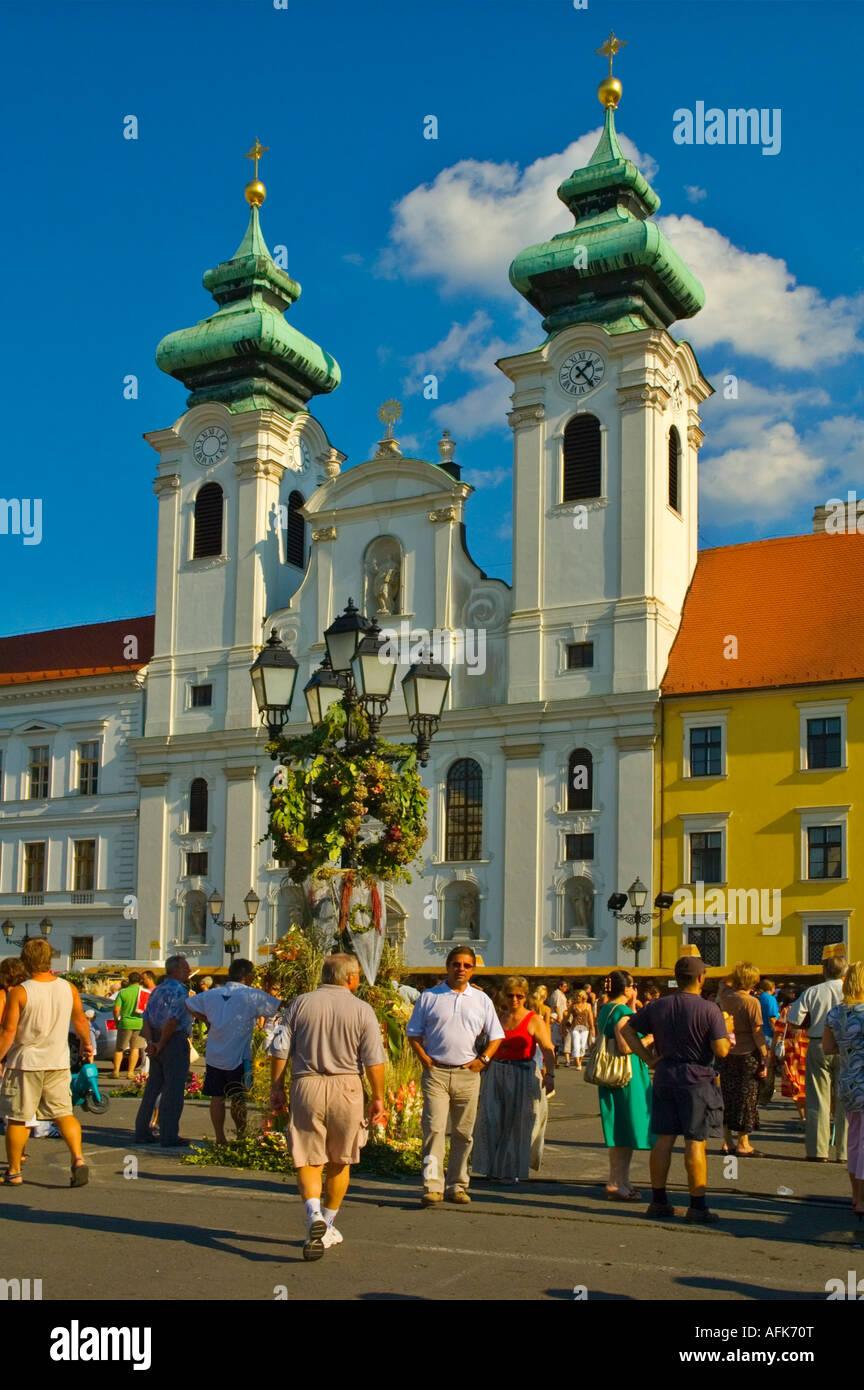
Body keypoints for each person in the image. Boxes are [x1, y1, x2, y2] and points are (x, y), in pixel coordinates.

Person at [269, 953, 385, 1260]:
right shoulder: (362, 1010)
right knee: (340, 1159)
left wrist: (276, 1087)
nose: (359, 979)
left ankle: (312, 1214)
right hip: (346, 1086)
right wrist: (377, 1096)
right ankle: (328, 1220)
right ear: (348, 978)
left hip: (306, 1083)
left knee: (308, 1158)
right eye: (357, 974)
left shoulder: (300, 1004)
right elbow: (374, 1060)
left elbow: (280, 1048)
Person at [620, 955, 731, 1224]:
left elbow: (627, 1031)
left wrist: (647, 1058)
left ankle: (658, 1201)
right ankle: (697, 1205)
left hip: (666, 1074)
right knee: (695, 1141)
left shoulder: (659, 1005)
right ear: (701, 978)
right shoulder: (709, 1009)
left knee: (664, 1139)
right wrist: (727, 1028)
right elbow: (722, 1050)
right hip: (697, 1077)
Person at [407, 945, 504, 1207]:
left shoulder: (481, 999)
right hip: (436, 1072)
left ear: (473, 969)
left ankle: (458, 1185)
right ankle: (432, 1185)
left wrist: (483, 1060)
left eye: (466, 965)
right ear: (447, 966)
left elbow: (496, 1035)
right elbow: (413, 1032)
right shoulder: (430, 996)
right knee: (434, 1130)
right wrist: (423, 1057)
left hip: (467, 1073)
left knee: (463, 1133)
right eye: (456, 964)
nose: (460, 969)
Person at [0, 938, 93, 1186]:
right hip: (58, 1060)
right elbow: (80, 1020)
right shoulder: (68, 988)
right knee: (63, 1113)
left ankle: (15, 1172)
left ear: (26, 960)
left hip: (25, 1062)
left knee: (18, 1117)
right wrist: (86, 1043)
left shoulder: (20, 991)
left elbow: (9, 1032)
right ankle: (78, 1159)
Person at [187, 958, 281, 1145]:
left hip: (215, 1052)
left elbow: (189, 1004)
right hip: (238, 1054)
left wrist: (207, 1020)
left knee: (217, 1097)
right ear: (247, 976)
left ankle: (220, 1137)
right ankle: (240, 1134)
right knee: (238, 1097)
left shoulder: (213, 993)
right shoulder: (252, 995)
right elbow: (279, 1006)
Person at [471, 976, 555, 1183]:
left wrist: (550, 1074)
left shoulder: (533, 1019)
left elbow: (548, 1047)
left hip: (522, 1073)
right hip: (496, 1072)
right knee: (491, 1119)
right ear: (504, 996)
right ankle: (491, 1167)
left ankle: (510, 1170)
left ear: (526, 997)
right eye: (510, 996)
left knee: (516, 1124)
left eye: (519, 996)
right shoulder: (498, 1017)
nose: (515, 1000)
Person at [595, 969, 654, 1201]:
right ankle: (617, 1182)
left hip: (612, 1074)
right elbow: (625, 1046)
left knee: (620, 1128)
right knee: (626, 1129)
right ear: (628, 988)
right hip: (627, 1074)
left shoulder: (606, 1009)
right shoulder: (622, 1011)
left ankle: (622, 1179)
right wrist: (650, 1038)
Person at [787, 944, 848, 1162]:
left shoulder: (812, 992)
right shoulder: (851, 992)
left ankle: (817, 1150)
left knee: (817, 1098)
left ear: (824, 970)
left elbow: (793, 1019)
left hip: (818, 1042)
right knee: (845, 1099)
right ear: (844, 971)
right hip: (846, 1045)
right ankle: (845, 1151)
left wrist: (809, 1024)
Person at [134, 954, 193, 1150]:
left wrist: (151, 1041)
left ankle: (142, 1130)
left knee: (153, 1087)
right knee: (173, 1090)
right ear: (175, 970)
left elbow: (147, 1019)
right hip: (173, 1039)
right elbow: (173, 1020)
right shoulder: (179, 991)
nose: (189, 971)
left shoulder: (157, 990)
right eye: (186, 968)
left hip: (157, 1036)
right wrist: (162, 1043)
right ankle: (168, 1134)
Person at [823, 962, 864, 1219]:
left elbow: (828, 1048)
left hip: (849, 1083)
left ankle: (856, 1197)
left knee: (854, 1140)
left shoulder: (835, 1013)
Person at [717, 963, 769, 1156]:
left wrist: (736, 974)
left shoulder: (724, 996)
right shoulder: (751, 1002)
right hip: (747, 1053)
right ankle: (743, 1142)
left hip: (727, 1051)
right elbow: (757, 1033)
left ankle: (727, 1141)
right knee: (746, 1098)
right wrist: (765, 1054)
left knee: (727, 1096)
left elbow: (723, 981)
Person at [775, 986, 807, 1123]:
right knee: (810, 1085)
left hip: (792, 1053)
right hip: (808, 1051)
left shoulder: (787, 1011)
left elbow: (778, 1031)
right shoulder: (810, 1011)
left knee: (796, 1085)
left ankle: (803, 1117)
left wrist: (772, 1052)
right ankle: (808, 1117)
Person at [112, 970, 145, 1080]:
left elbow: (116, 1009)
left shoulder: (123, 992)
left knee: (119, 1048)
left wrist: (117, 1020)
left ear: (129, 980)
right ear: (140, 980)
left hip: (125, 1022)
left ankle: (116, 1071)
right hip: (139, 1023)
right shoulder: (143, 992)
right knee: (135, 1048)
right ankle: (130, 1072)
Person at [564, 989, 595, 1069]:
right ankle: (578, 1064)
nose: (578, 997)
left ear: (583, 997)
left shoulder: (588, 1006)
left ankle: (579, 1060)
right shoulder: (573, 1006)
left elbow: (590, 1018)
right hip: (575, 1027)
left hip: (585, 1028)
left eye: (579, 996)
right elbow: (567, 1017)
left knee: (583, 1046)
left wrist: (592, 1028)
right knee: (576, 1045)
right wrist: (563, 1026)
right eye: (577, 996)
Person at [547, 979, 569, 1054]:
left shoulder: (561, 994)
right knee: (556, 1037)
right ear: (560, 986)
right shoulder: (557, 993)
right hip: (557, 1016)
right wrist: (559, 1017)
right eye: (565, 986)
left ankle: (557, 1054)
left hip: (562, 1016)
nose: (566, 988)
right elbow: (556, 1006)